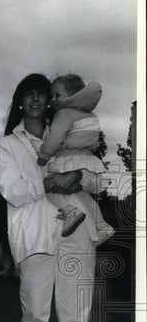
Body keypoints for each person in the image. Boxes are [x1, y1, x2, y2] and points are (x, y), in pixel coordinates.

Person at [0, 74, 99, 322]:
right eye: (30, 95)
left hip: (78, 234)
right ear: (21, 102)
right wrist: (49, 181)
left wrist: (80, 177)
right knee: (36, 320)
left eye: (43, 93)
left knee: (74, 321)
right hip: (35, 239)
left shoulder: (70, 133)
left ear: (51, 100)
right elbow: (13, 191)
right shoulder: (9, 145)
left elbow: (97, 178)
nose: (37, 99)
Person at [37, 74, 115, 243]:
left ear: (74, 96)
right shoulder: (90, 115)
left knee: (47, 187)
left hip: (69, 160)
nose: (53, 100)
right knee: (83, 195)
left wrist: (43, 156)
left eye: (57, 95)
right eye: (52, 96)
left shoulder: (64, 114)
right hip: (88, 161)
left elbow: (55, 138)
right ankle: (101, 225)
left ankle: (69, 210)